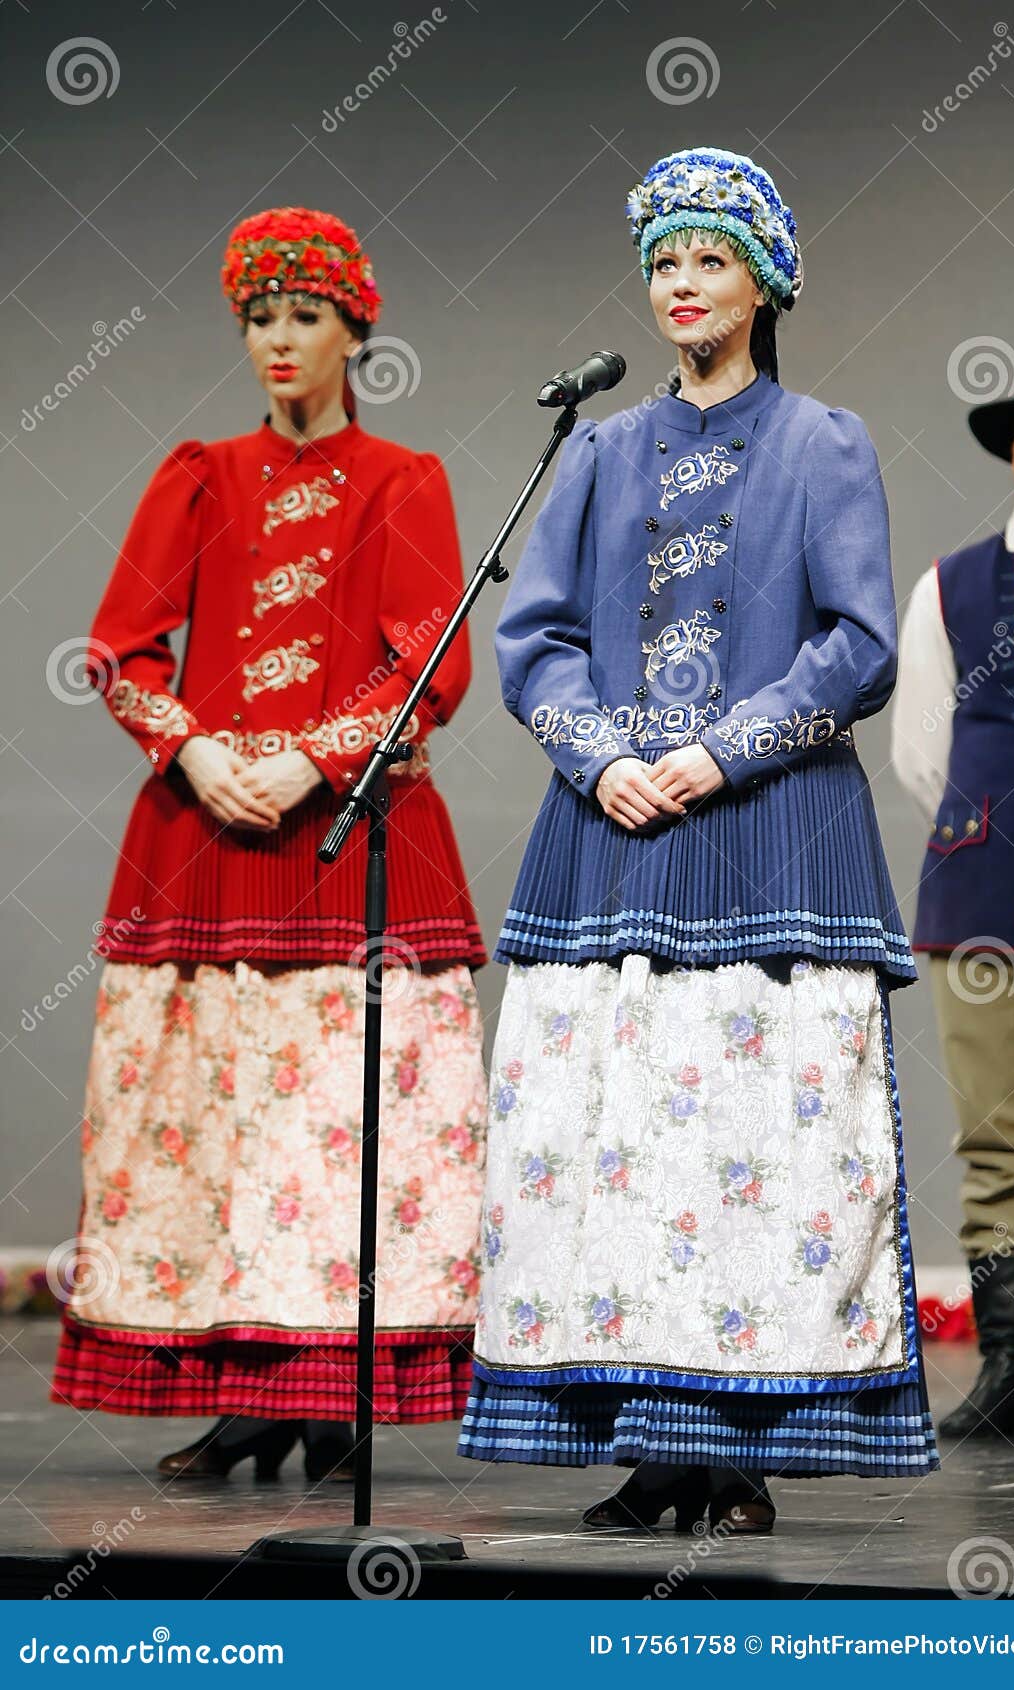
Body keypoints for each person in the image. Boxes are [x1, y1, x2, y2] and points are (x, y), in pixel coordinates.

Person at [456, 147, 938, 1534]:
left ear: (762, 281)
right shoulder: (601, 448)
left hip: (768, 835)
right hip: (608, 838)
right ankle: (647, 1440)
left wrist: (714, 749)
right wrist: (600, 755)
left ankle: (733, 1449)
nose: (679, 284)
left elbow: (854, 647)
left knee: (753, 1137)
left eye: (708, 260)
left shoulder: (821, 442)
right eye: (663, 261)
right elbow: (532, 634)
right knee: (612, 1133)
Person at [49, 206, 489, 1483]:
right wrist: (193, 749)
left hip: (351, 833)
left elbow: (433, 656)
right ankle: (246, 1391)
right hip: (204, 833)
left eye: (304, 314)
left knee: (345, 1125)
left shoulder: (405, 479)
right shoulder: (199, 473)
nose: (279, 339)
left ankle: (330, 1386)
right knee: (219, 1114)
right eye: (258, 317)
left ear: (356, 326)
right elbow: (120, 648)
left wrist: (312, 756)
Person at [892, 351, 1014, 1442]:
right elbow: (920, 750)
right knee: (998, 1132)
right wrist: (987, 830)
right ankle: (1012, 1366)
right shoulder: (948, 581)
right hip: (981, 889)